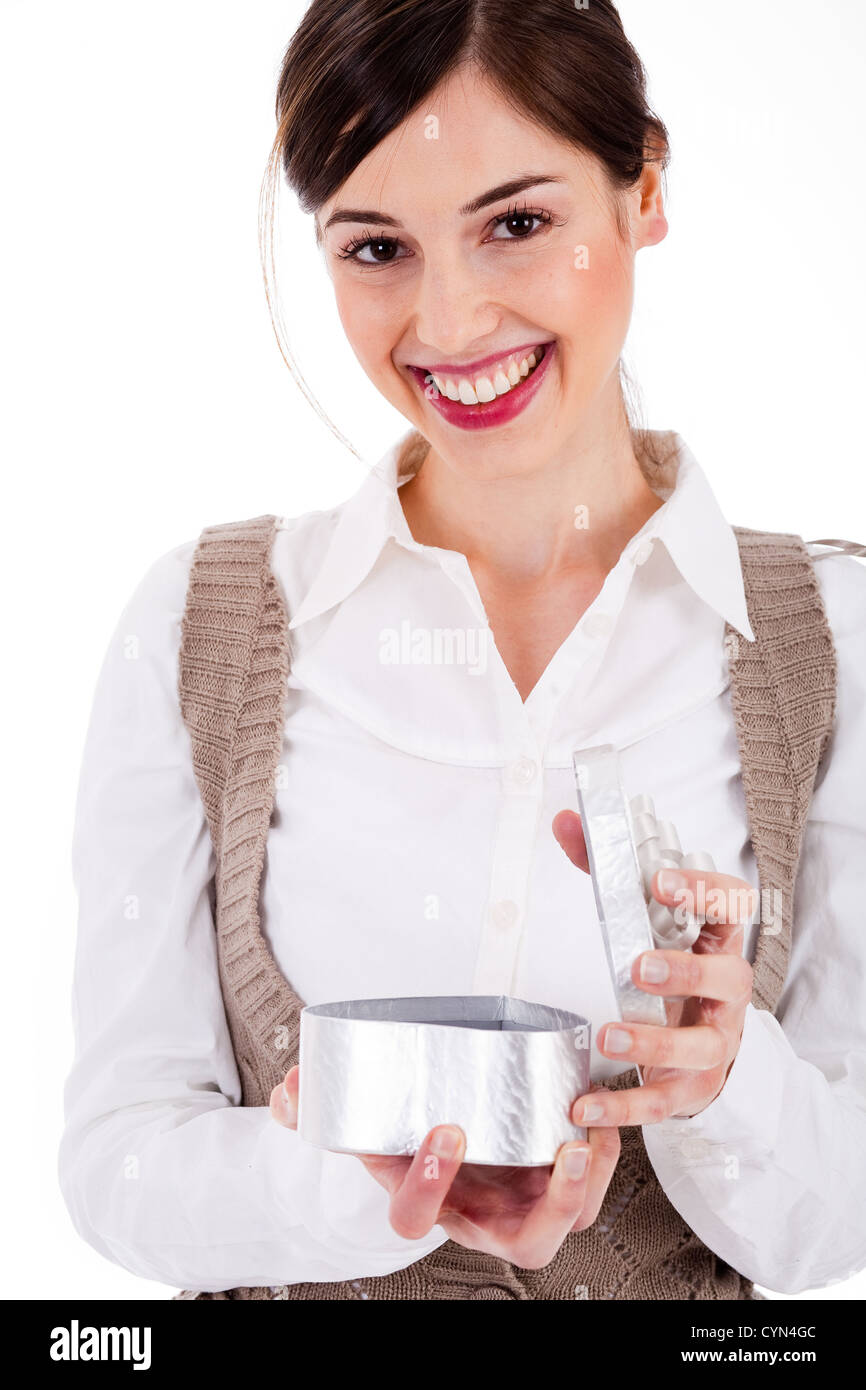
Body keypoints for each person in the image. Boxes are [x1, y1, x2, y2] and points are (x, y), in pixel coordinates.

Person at [60, 0, 866, 1300]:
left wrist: (722, 1080)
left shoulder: (834, 639)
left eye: (516, 222)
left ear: (643, 188)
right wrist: (355, 1184)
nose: (447, 321)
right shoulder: (193, 625)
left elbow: (832, 1213)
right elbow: (116, 1156)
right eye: (376, 246)